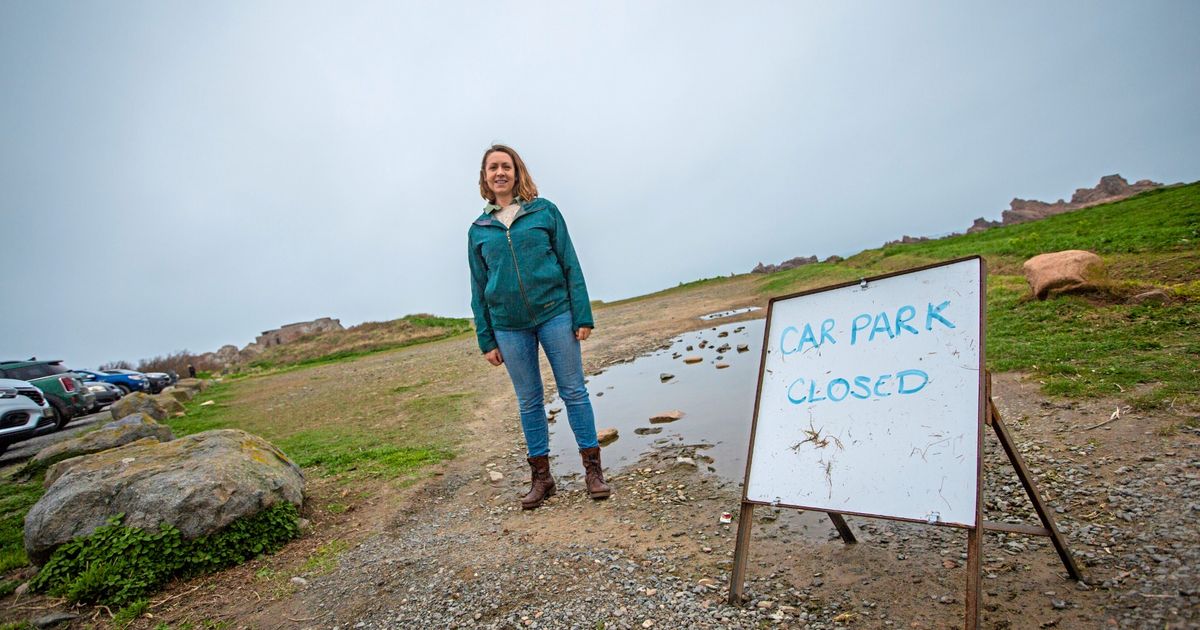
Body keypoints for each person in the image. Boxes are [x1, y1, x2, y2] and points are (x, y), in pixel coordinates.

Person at [467, 144, 611, 510]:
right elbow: (478, 288)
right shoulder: (479, 230)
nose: (500, 172)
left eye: (506, 166)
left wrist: (582, 314)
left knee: (573, 391)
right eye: (492, 168)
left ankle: (593, 472)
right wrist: (486, 338)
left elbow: (570, 263)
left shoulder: (544, 212)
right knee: (529, 401)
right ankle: (542, 478)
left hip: (555, 313)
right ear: (485, 178)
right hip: (508, 327)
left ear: (517, 172)